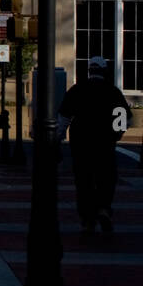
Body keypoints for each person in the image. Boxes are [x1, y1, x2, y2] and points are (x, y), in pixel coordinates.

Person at [57, 56, 131, 234]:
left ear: (89, 71)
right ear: (104, 71)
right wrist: (117, 133)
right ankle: (104, 208)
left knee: (84, 180)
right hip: (105, 141)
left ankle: (87, 218)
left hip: (81, 141)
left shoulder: (77, 90)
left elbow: (64, 117)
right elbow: (124, 116)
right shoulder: (112, 91)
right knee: (106, 178)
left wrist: (59, 138)